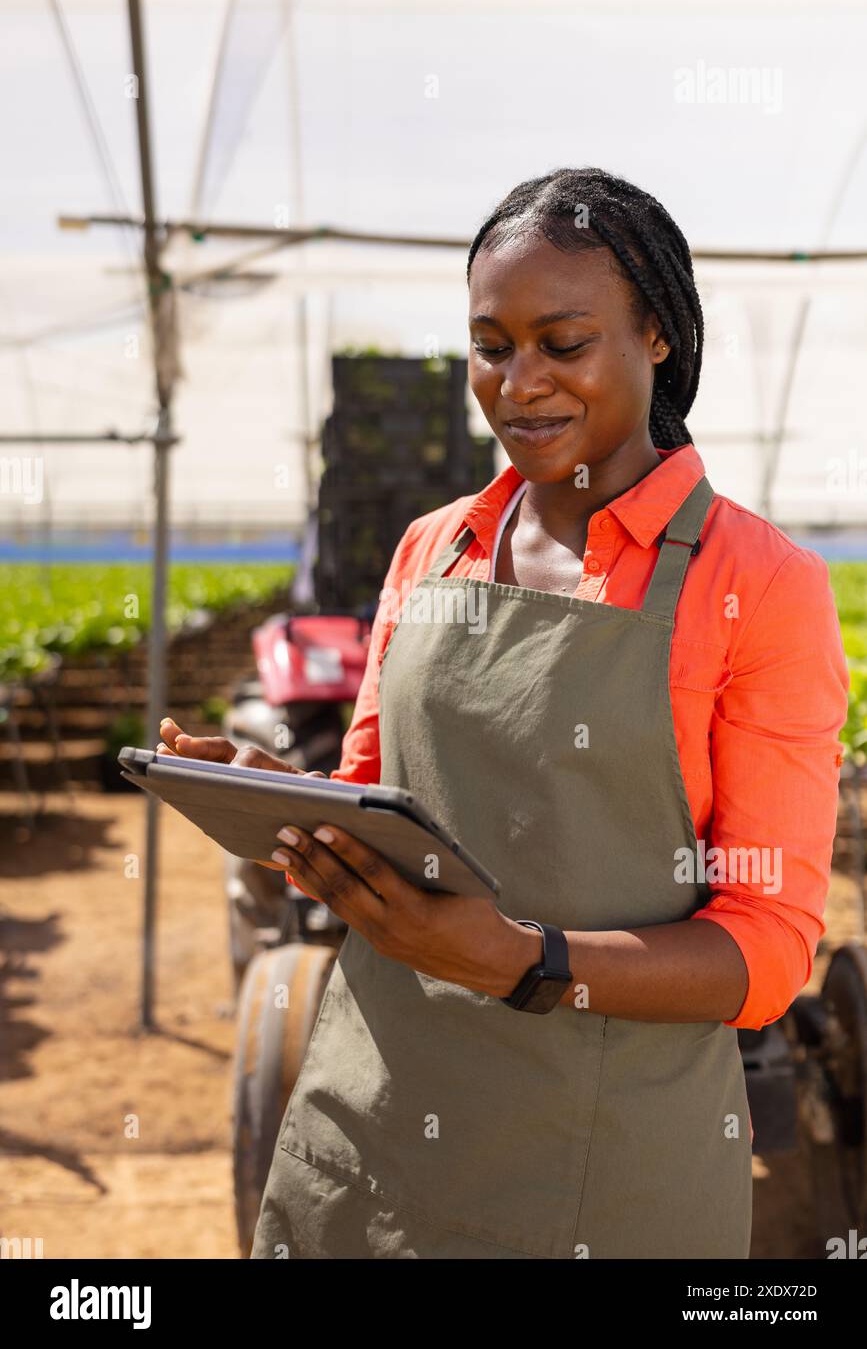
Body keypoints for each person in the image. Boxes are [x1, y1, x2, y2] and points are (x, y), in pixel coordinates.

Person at [162, 168, 849, 1259]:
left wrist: (523, 957)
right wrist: (276, 801)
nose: (519, 384)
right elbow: (384, 806)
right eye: (492, 345)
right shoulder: (433, 550)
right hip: (373, 1132)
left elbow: (763, 952)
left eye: (562, 343)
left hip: (603, 1178)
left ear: (658, 338)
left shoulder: (756, 584)